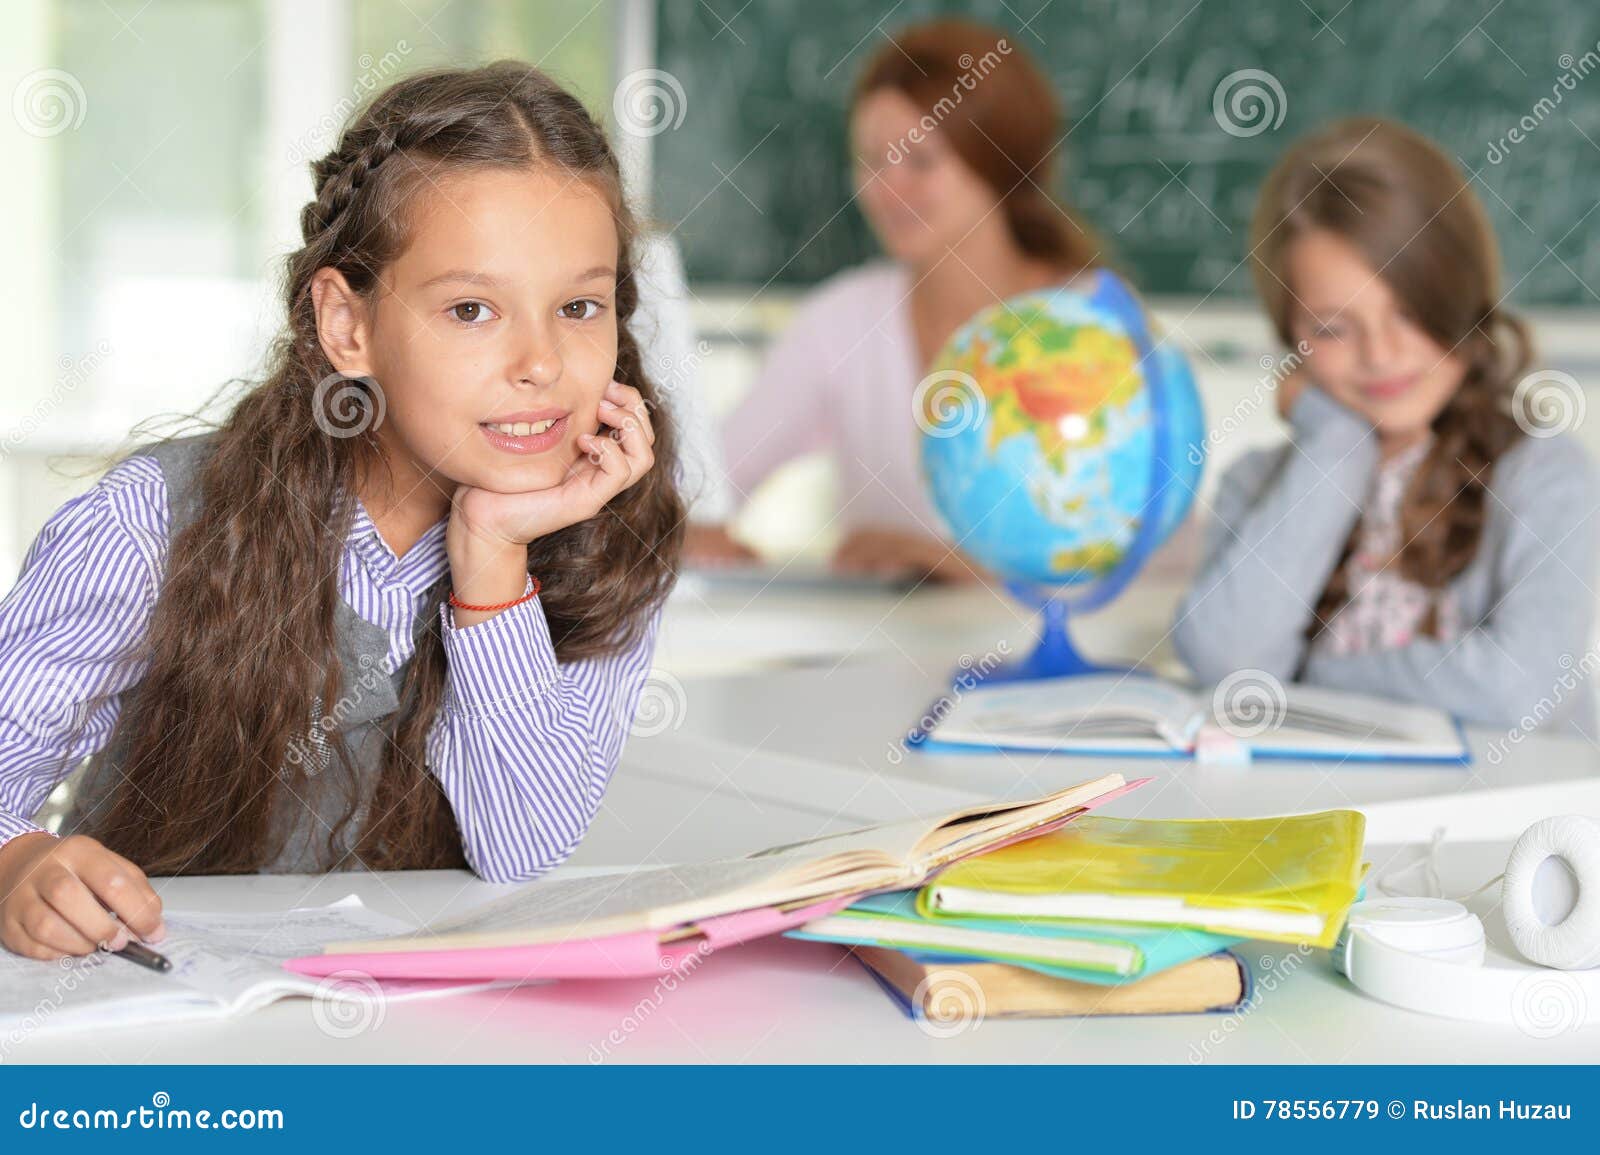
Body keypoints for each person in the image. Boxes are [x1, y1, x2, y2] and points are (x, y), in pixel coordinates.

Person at [0, 61, 683, 960]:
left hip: (407, 1034)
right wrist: (18, 867)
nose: (542, 362)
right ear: (347, 326)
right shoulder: (152, 526)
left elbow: (520, 849)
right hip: (157, 1014)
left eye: (579, 306)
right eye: (473, 308)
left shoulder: (611, 545)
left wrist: (491, 561)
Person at [1174, 117, 1599, 731]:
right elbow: (1225, 661)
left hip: (1498, 822)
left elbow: (1519, 689)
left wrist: (1306, 673)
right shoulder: (1259, 484)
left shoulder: (1545, 475)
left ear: (1458, 297)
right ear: (1289, 332)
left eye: (1407, 311)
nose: (1379, 354)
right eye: (1332, 327)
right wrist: (1335, 447)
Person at [686, 18, 1105, 583]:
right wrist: (688, 533)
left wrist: (961, 567)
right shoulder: (842, 321)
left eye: (920, 161)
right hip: (882, 669)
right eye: (871, 160)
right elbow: (702, 491)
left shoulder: (1094, 326)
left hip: (1061, 668)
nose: (886, 190)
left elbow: (1154, 553)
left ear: (998, 163)